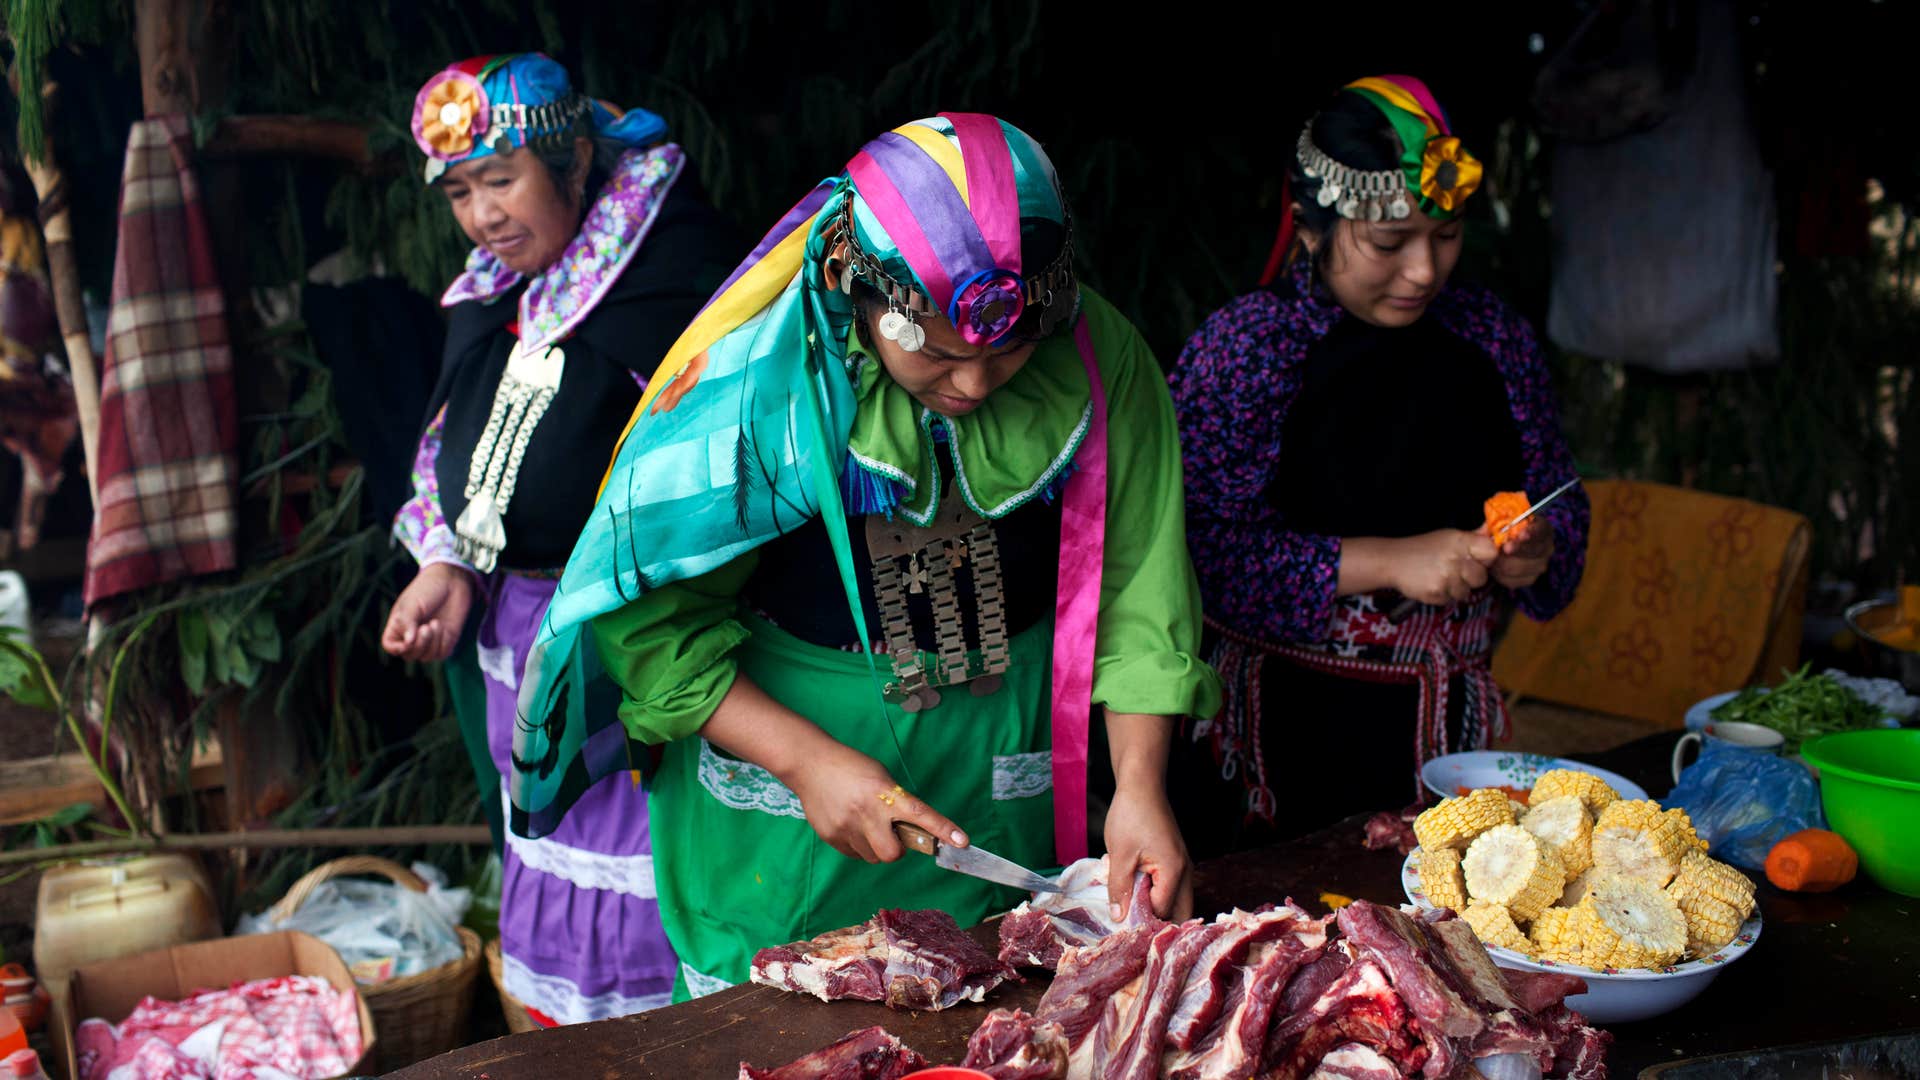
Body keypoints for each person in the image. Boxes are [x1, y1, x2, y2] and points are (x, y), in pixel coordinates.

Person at [505, 114, 1221, 999]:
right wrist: (804, 762)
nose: (972, 385)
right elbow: (649, 616)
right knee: (793, 1030)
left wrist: (1142, 787)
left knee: (1002, 1011)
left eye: (1007, 358)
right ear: (858, 291)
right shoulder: (755, 380)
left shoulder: (1095, 357)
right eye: (942, 357)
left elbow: (1141, 587)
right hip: (792, 780)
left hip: (1002, 753)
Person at [379, 53, 738, 1024]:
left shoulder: (672, 295)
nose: (482, 213)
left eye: (501, 180)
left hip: (638, 658)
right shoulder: (493, 296)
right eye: (459, 190)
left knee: (642, 886)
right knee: (552, 854)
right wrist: (447, 563)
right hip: (517, 655)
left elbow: (713, 490)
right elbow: (452, 454)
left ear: (576, 164)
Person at [1166, 76, 1589, 855]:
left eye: (1448, 233)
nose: (1425, 271)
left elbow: (1560, 498)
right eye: (1390, 243)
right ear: (1310, 228)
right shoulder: (1250, 348)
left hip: (1449, 740)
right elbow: (1195, 553)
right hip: (1275, 742)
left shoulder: (1491, 338)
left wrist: (1536, 549)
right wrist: (1392, 562)